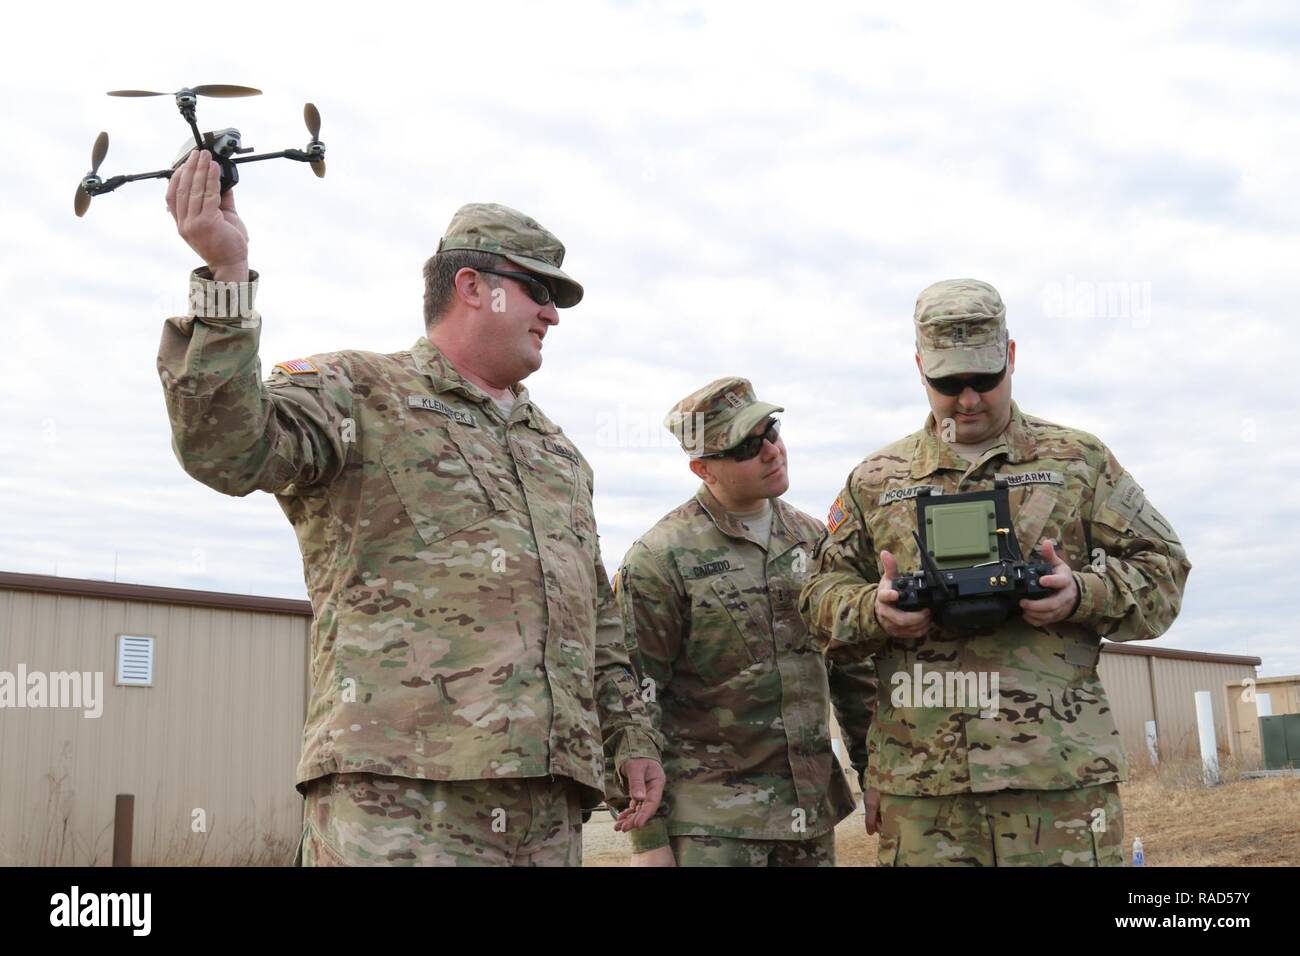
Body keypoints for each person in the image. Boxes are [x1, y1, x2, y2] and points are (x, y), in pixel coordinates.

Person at [157, 148, 663, 866]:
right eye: (538, 289)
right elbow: (226, 449)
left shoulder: (559, 455)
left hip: (548, 811)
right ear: (472, 285)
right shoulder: (360, 392)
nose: (552, 312)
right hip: (399, 804)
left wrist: (631, 740)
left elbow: (600, 624)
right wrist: (227, 277)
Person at [800, 278, 1191, 866]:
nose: (968, 400)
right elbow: (815, 599)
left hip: (1057, 781)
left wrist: (1082, 592)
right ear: (918, 367)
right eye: (947, 383)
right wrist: (872, 609)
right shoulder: (875, 480)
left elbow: (1164, 570)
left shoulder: (1077, 462)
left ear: (1010, 356)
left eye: (984, 380)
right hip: (925, 791)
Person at [615, 377, 874, 867]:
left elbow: (851, 670)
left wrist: (872, 773)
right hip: (713, 829)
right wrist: (647, 842)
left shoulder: (813, 540)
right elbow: (632, 699)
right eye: (746, 447)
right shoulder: (660, 558)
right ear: (703, 468)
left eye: (771, 431)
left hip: (809, 817)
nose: (771, 452)